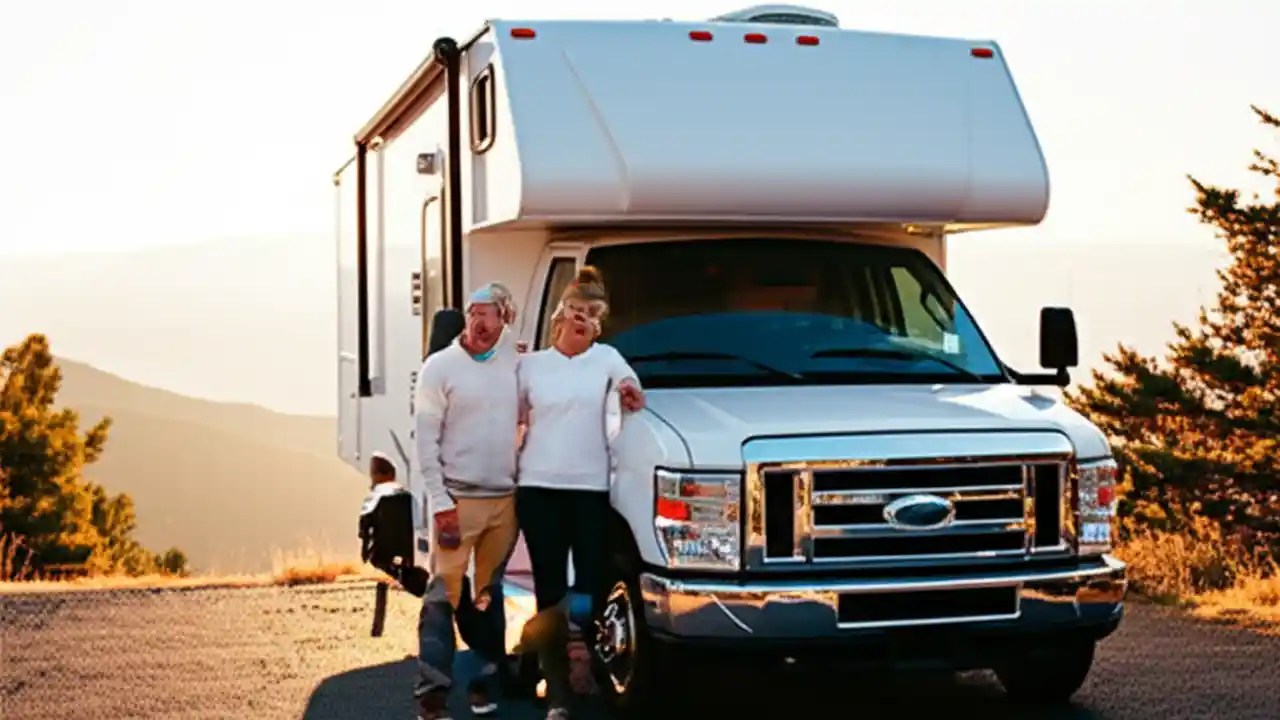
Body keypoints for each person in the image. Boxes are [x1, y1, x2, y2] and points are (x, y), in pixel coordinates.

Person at [514, 266, 645, 719]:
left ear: (599, 322)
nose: (580, 319)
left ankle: (566, 661)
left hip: (589, 489)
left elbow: (633, 389)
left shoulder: (607, 359)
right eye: (574, 310)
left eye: (590, 313)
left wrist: (629, 391)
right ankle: (558, 694)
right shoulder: (530, 365)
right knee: (550, 590)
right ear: (560, 314)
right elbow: (501, 411)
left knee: (588, 587)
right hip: (538, 487)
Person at [412, 281, 522, 720]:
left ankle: (483, 684)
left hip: (504, 502)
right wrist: (441, 503)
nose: (477, 322)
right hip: (458, 500)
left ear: (504, 320)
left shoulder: (517, 362)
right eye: (472, 313)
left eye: (487, 313)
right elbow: (425, 440)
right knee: (442, 595)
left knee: (488, 595)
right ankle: (432, 693)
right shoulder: (440, 368)